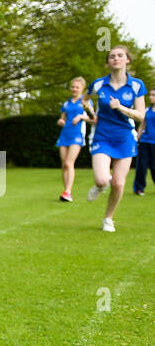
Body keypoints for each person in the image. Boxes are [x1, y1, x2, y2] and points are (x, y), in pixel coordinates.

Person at [86, 46, 147, 231]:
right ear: (107, 62)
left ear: (127, 60)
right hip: (102, 137)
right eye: (112, 56)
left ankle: (108, 219)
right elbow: (85, 99)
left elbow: (141, 115)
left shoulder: (136, 85)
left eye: (120, 55)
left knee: (119, 183)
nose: (116, 59)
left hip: (124, 138)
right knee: (103, 180)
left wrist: (121, 107)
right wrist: (88, 110)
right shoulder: (98, 84)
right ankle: (100, 186)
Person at [55, 77, 95, 202]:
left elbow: (93, 119)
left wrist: (81, 116)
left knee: (69, 163)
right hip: (64, 134)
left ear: (82, 89)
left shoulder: (85, 102)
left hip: (77, 135)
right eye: (73, 87)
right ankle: (65, 190)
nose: (74, 89)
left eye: (77, 87)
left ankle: (68, 192)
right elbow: (62, 118)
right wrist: (61, 121)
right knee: (64, 165)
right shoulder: (66, 103)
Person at [134, 90, 155, 197]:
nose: (151, 97)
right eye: (150, 95)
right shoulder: (146, 111)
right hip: (145, 142)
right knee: (142, 166)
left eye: (153, 95)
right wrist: (137, 139)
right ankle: (139, 188)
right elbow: (142, 126)